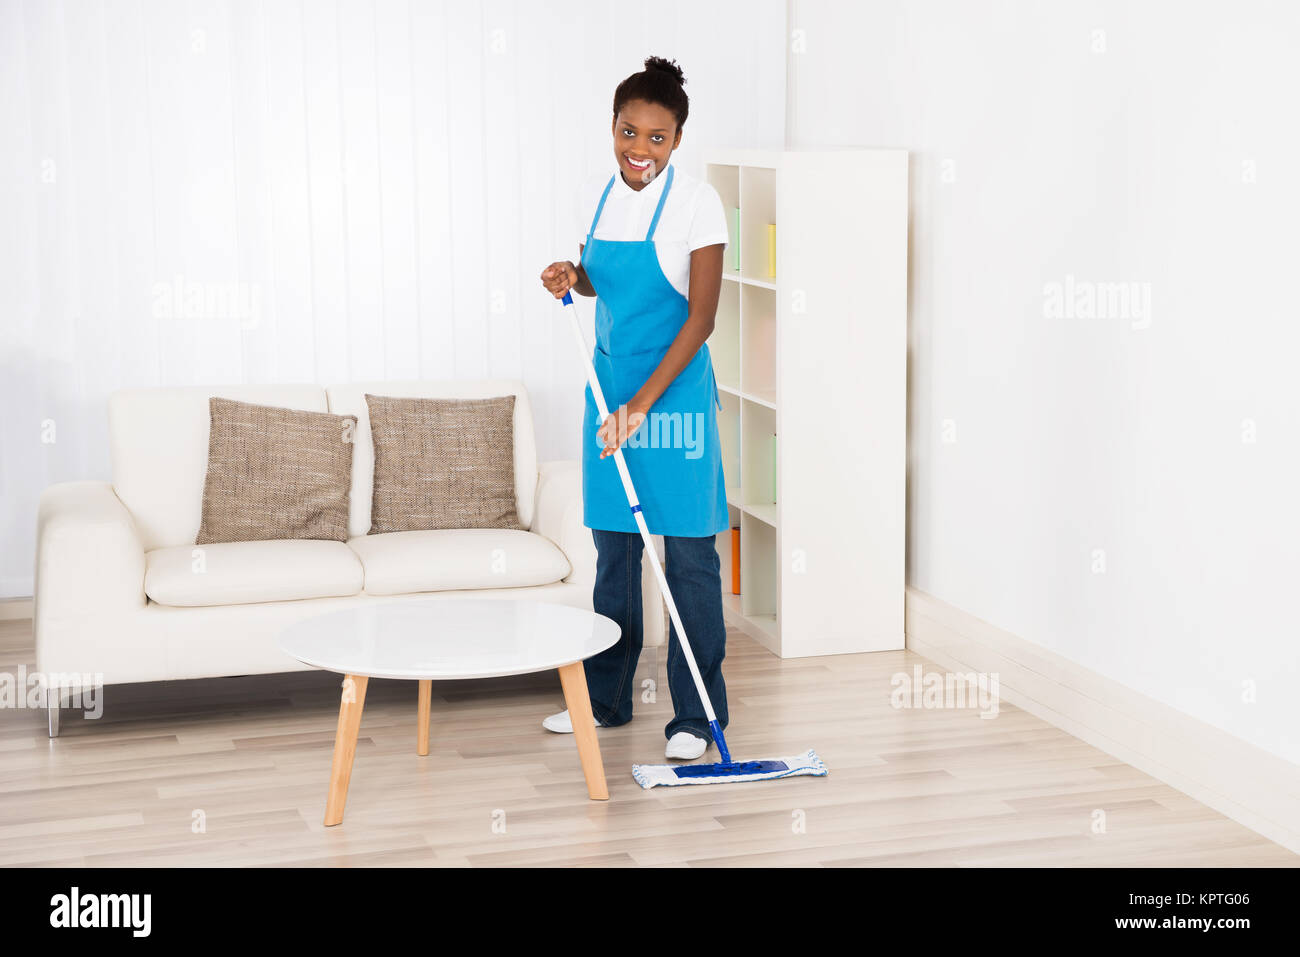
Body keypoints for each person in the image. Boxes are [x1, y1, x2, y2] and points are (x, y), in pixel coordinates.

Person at [538, 55, 731, 761]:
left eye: (657, 136)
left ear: (677, 140)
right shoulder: (599, 197)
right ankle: (607, 700)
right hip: (610, 395)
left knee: (686, 557)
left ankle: (696, 716)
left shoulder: (697, 204)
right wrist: (572, 276)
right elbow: (603, 283)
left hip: (672, 405)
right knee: (614, 555)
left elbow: (701, 318)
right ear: (613, 127)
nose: (639, 148)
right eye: (628, 131)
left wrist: (645, 406)